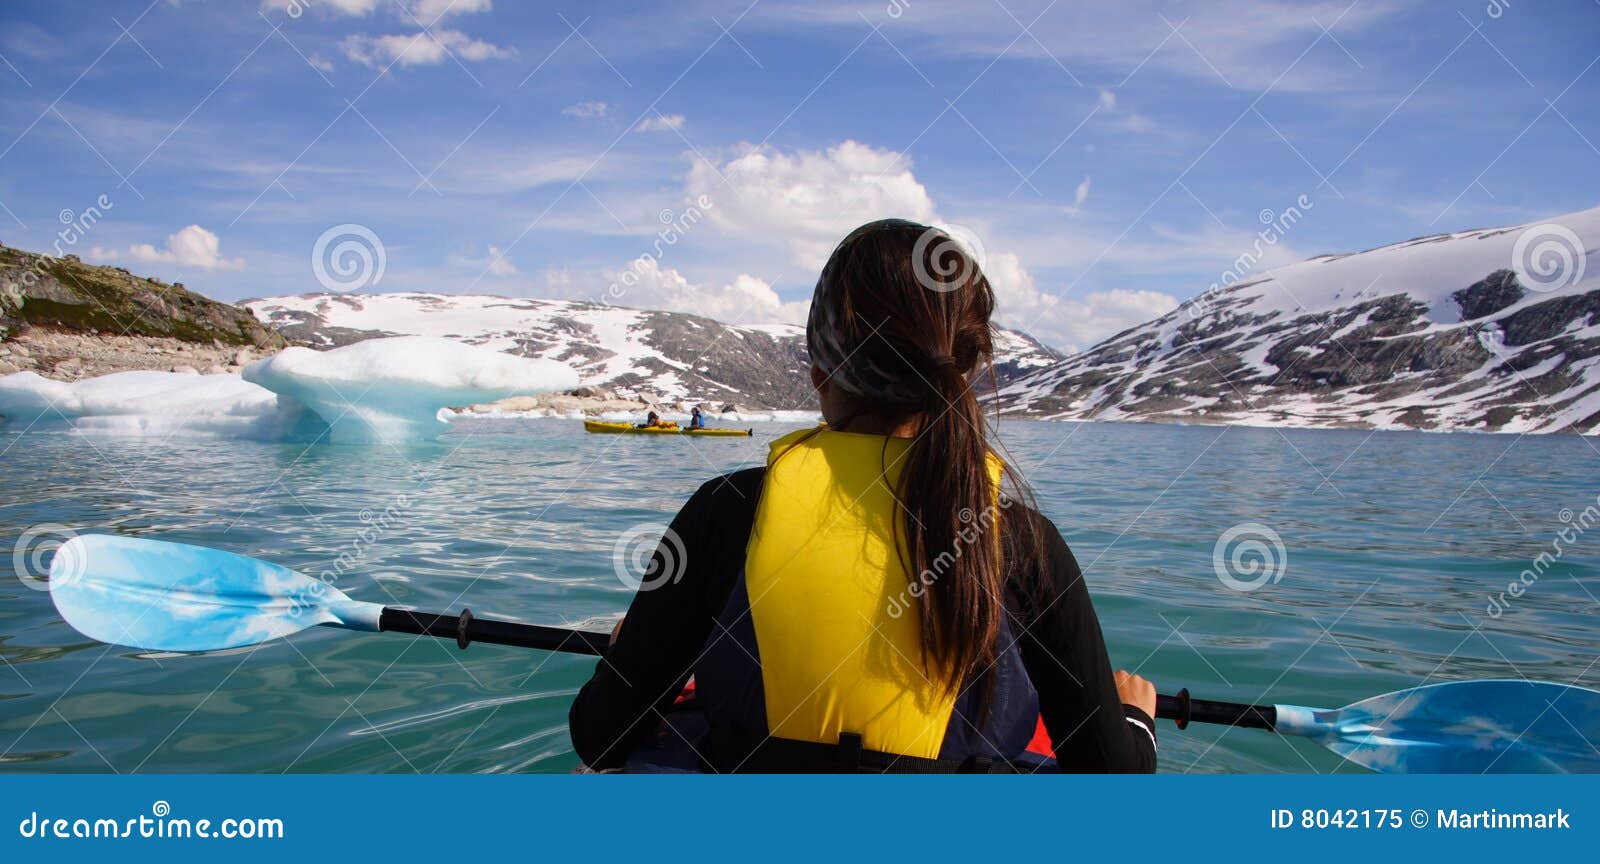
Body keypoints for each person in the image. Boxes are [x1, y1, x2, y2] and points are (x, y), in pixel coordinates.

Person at [570, 219, 1156, 772]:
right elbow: (1113, 785)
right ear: (969, 370)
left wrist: (631, 658)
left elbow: (601, 735)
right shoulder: (1024, 543)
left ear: (820, 372)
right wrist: (1135, 720)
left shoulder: (725, 511)